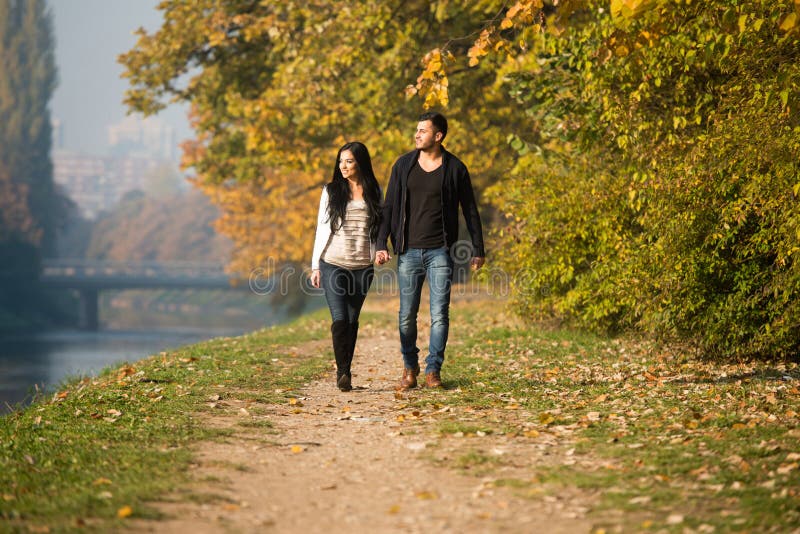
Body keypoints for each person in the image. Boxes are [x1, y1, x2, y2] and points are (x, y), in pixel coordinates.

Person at [375, 111, 485, 390]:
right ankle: (409, 368)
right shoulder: (403, 166)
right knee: (406, 315)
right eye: (417, 130)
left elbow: (470, 210)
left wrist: (478, 247)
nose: (417, 134)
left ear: (438, 136)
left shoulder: (456, 169)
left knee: (440, 314)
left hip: (440, 252)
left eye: (423, 131)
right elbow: (388, 207)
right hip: (408, 251)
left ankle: (433, 370)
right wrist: (381, 243)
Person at [310, 141, 382, 392]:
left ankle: (346, 370)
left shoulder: (374, 190)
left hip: (362, 266)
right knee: (340, 319)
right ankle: (343, 373)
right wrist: (315, 266)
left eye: (349, 161)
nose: (343, 166)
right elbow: (321, 228)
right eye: (341, 161)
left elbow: (379, 226)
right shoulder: (331, 191)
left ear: (360, 162)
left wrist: (381, 251)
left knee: (352, 320)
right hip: (332, 263)